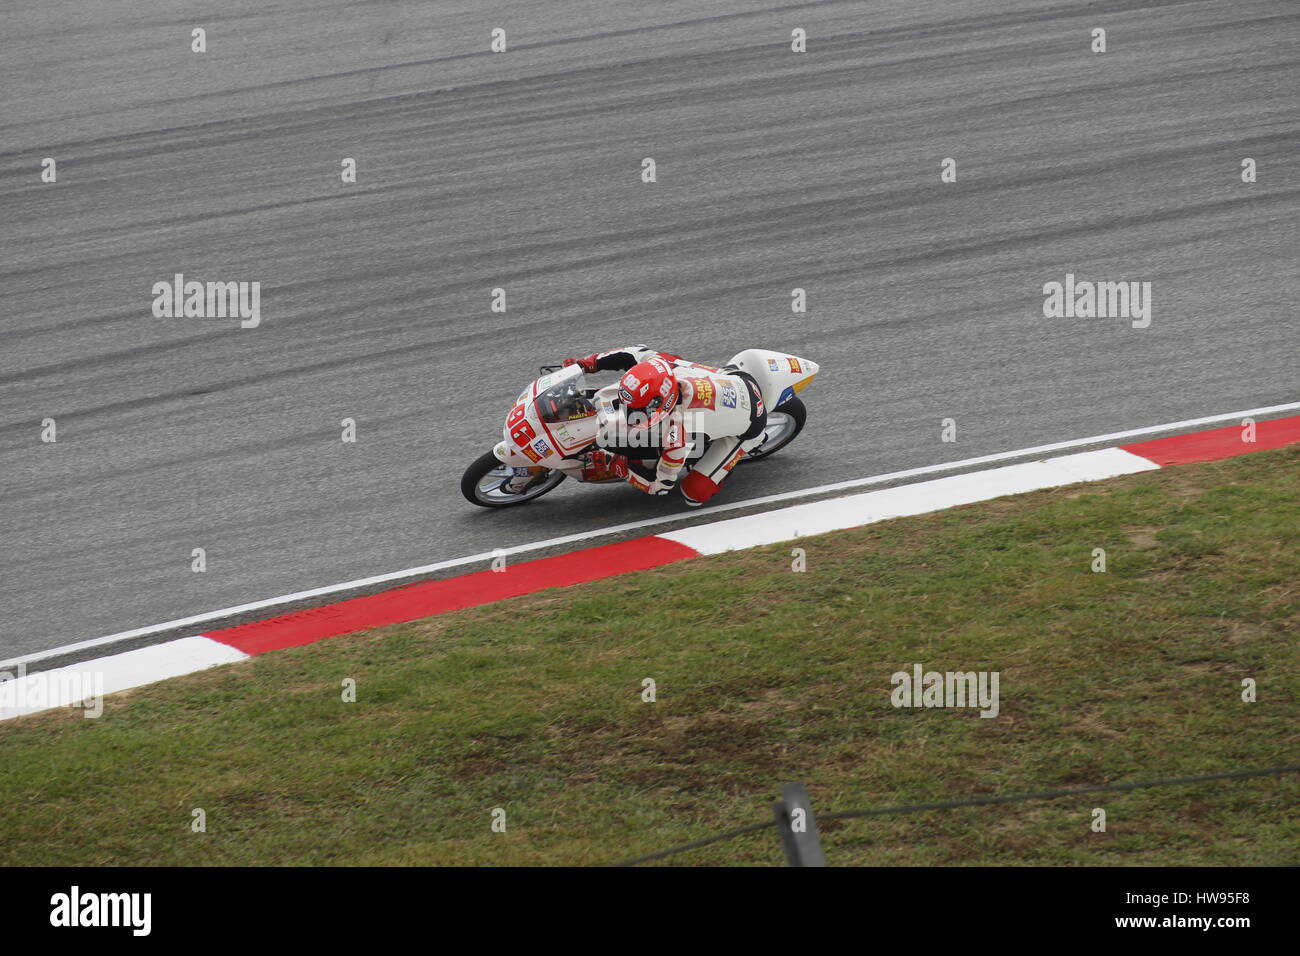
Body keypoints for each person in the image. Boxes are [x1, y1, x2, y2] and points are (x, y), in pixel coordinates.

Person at [562, 346, 767, 506]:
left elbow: (659, 486)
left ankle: (723, 467)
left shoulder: (679, 434)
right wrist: (586, 364)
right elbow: (629, 353)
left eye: (637, 411)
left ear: (662, 405)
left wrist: (616, 463)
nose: (629, 413)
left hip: (752, 421)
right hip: (733, 378)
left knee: (694, 494)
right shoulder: (658, 365)